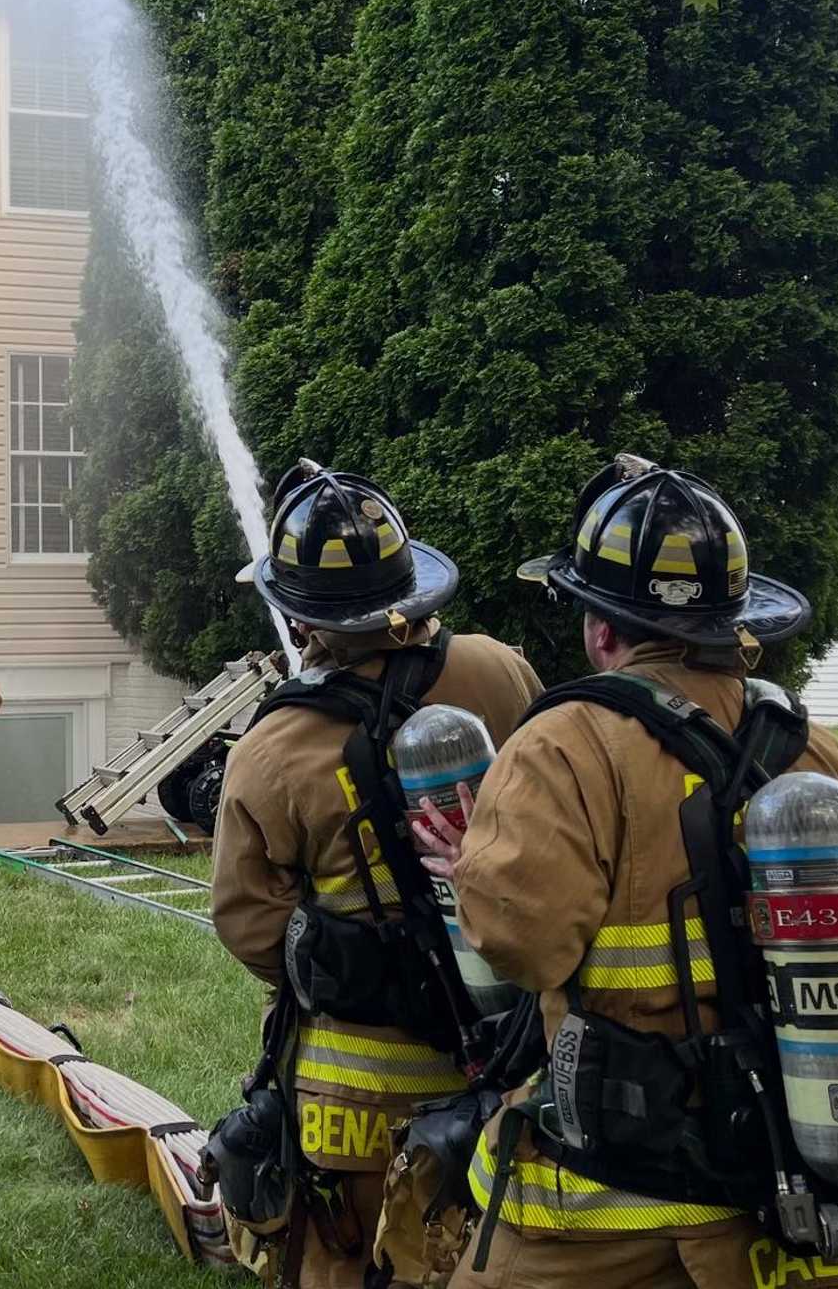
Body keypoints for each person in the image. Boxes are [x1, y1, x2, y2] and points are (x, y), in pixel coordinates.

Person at [416, 454, 838, 1289]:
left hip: (610, 1220)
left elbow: (525, 944)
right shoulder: (817, 753)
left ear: (602, 628)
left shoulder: (562, 744)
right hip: (804, 1207)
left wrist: (471, 872)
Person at [211, 462, 543, 1289]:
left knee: (347, 1269)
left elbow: (249, 923)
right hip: (509, 1070)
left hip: (350, 1109)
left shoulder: (271, 748)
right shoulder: (500, 672)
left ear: (299, 614)